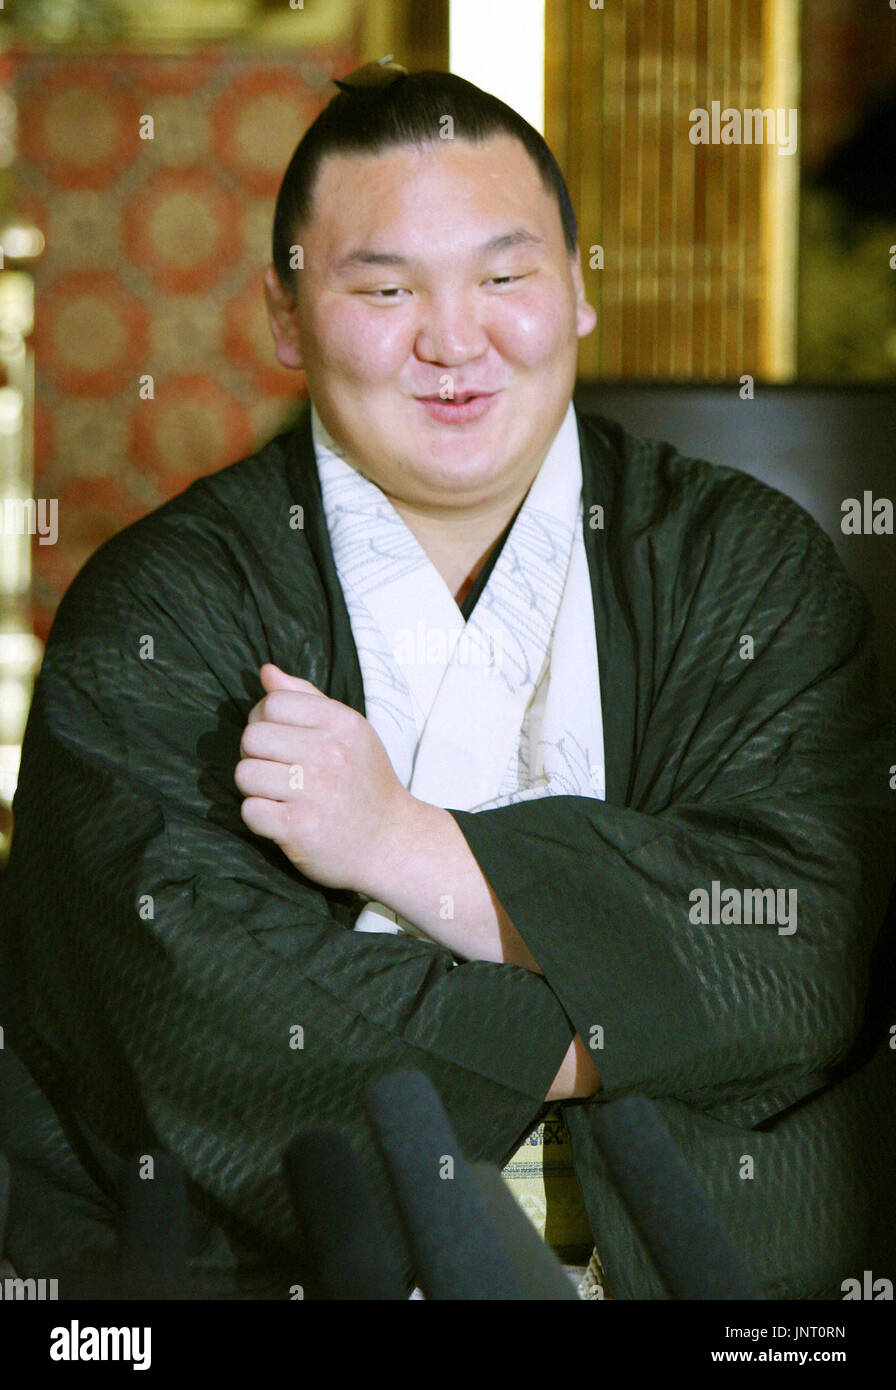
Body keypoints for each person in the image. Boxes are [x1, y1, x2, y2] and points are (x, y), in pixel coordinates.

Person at [1, 62, 894, 1302]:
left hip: (720, 1271)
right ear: (282, 314)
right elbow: (193, 1017)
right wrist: (629, 1013)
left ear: (577, 291)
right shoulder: (161, 613)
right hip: (291, 1270)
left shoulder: (742, 568)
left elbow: (794, 952)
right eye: (381, 288)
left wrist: (402, 844)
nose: (453, 339)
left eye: (504, 276)